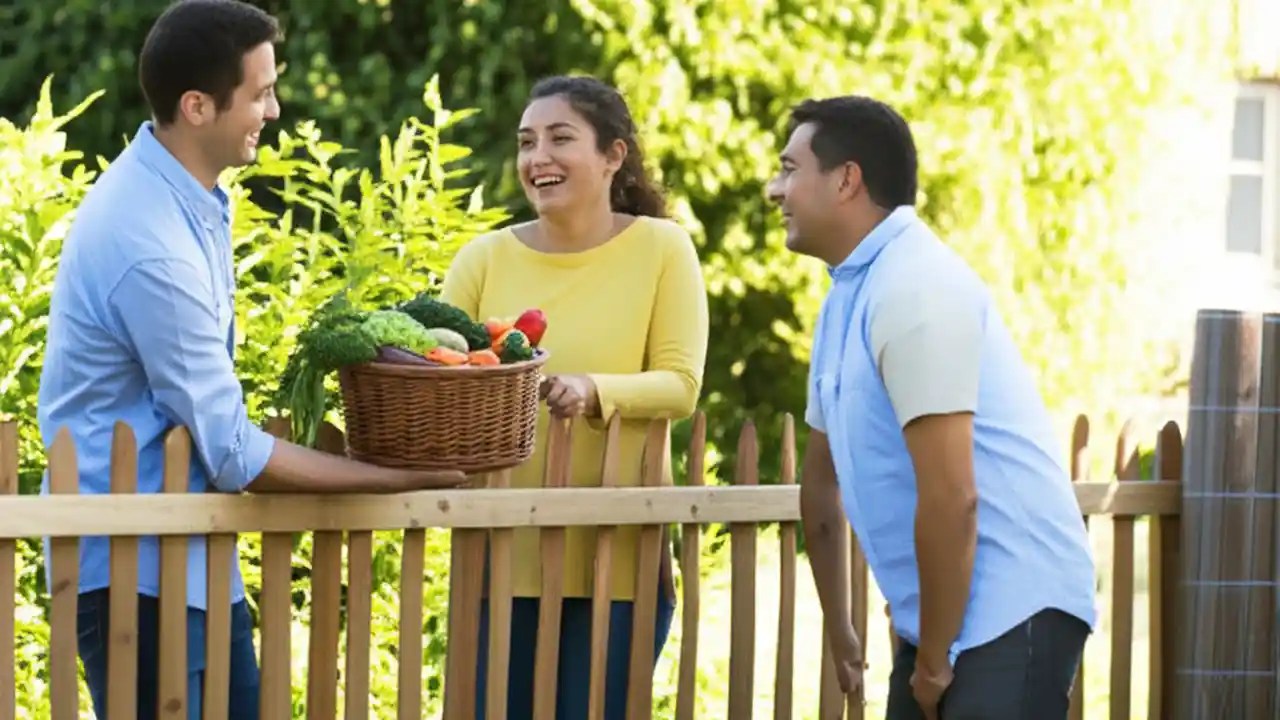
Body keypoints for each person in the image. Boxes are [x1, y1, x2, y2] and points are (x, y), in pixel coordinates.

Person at [37, 1, 464, 718]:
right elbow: (232, 449)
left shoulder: (187, 198)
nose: (273, 108)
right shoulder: (148, 241)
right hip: (138, 576)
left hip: (194, 559)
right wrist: (393, 477)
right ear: (197, 106)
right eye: (260, 92)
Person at [767, 95, 1097, 720]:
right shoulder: (846, 297)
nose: (773, 189)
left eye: (789, 169)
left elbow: (953, 497)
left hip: (1011, 606)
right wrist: (841, 630)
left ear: (846, 180)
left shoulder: (916, 287)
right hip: (941, 624)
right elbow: (821, 483)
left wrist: (934, 659)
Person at [440, 74, 709, 719]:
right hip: (497, 551)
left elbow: (681, 385)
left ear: (614, 155)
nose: (539, 158)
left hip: (616, 556)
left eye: (562, 139)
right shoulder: (482, 259)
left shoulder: (663, 249)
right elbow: (441, 374)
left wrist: (593, 390)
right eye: (527, 142)